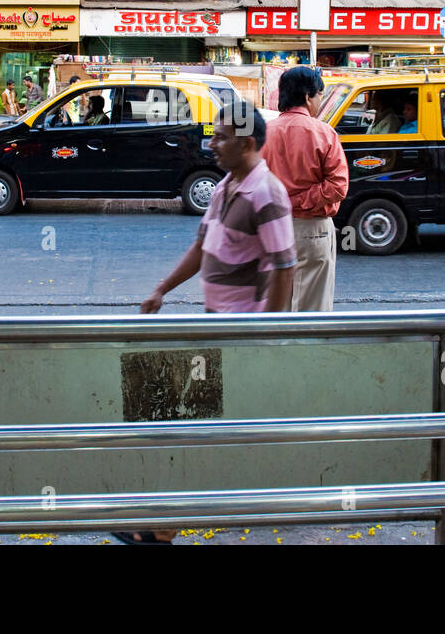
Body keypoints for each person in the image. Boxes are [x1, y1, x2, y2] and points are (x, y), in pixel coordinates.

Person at [126, 103, 295, 545]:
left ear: (248, 143)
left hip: (241, 335)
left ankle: (161, 527)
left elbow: (284, 267)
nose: (213, 144)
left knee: (192, 425)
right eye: (214, 135)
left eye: (221, 137)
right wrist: (163, 288)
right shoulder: (225, 186)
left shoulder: (267, 194)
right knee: (182, 419)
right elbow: (203, 247)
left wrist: (268, 333)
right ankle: (161, 523)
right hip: (215, 327)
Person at [261, 65, 349, 313]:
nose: (320, 100)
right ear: (308, 96)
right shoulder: (324, 133)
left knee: (276, 308)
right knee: (312, 309)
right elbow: (337, 186)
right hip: (313, 230)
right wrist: (298, 202)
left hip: (272, 228)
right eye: (320, 94)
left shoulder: (263, 135)